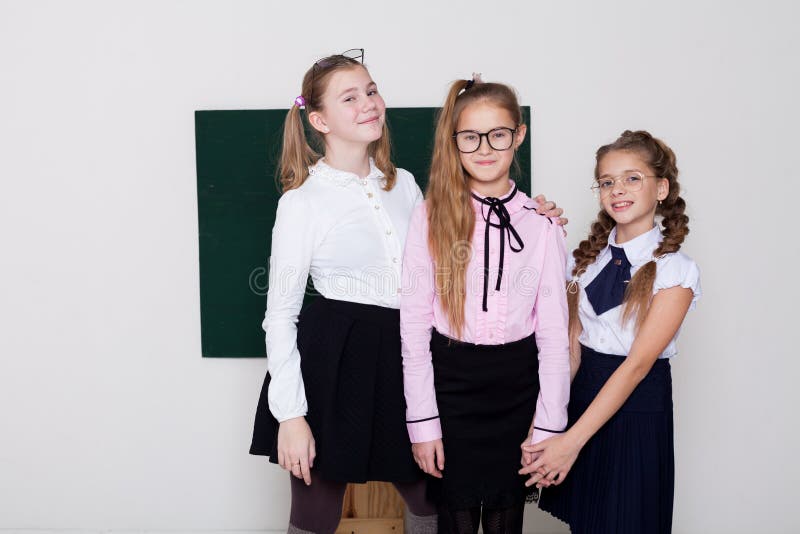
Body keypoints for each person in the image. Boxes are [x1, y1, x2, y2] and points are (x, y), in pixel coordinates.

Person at [248, 51, 565, 534]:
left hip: (408, 355)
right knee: (316, 508)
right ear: (318, 120)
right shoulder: (302, 203)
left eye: (371, 90)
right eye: (349, 97)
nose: (369, 103)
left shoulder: (408, 186)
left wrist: (532, 213)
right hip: (335, 361)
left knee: (430, 495)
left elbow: (465, 246)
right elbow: (280, 315)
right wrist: (290, 415)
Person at [400, 75, 571, 534]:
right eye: (469, 136)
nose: (484, 147)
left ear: (519, 135)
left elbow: (554, 335)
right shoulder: (431, 214)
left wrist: (550, 425)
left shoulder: (542, 224)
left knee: (504, 520)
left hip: (517, 388)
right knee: (453, 519)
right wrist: (423, 424)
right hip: (450, 385)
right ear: (454, 142)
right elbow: (414, 327)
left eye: (498, 134)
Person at [524, 130, 701, 534]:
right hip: (583, 396)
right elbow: (569, 349)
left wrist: (571, 443)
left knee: (626, 520)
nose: (617, 190)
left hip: (635, 409)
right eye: (607, 181)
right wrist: (545, 424)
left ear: (661, 189)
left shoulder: (677, 269)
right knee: (587, 523)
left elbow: (638, 366)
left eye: (632, 178)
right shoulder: (582, 261)